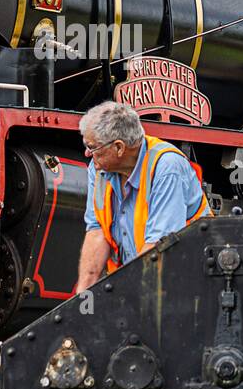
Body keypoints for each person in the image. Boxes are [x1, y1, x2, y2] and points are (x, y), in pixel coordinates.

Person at [73, 101, 210, 294]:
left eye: (92, 147)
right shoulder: (99, 170)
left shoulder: (166, 167)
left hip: (183, 286)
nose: (87, 153)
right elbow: (97, 231)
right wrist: (83, 297)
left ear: (119, 148)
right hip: (141, 283)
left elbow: (158, 247)